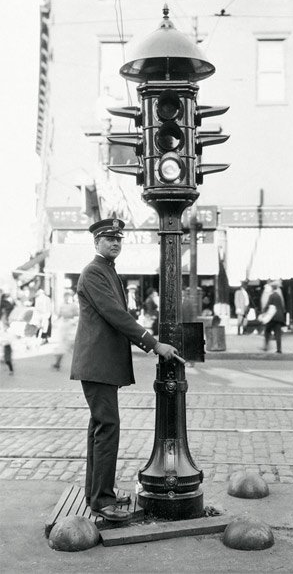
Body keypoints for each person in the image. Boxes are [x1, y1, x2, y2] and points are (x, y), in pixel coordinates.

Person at [70, 218, 179, 522]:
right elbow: (115, 314)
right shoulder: (94, 271)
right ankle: (102, 500)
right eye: (109, 239)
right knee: (108, 428)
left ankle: (97, 492)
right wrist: (153, 343)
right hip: (97, 364)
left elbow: (118, 314)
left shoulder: (107, 271)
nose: (115, 243)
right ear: (96, 243)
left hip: (99, 364)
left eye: (118, 239)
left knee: (100, 427)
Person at [52, 290, 79, 371]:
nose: (67, 298)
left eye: (68, 296)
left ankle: (78, 365)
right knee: (62, 346)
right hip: (64, 326)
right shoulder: (62, 305)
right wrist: (55, 322)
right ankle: (57, 363)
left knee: (73, 347)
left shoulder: (74, 306)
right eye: (66, 296)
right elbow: (60, 315)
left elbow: (77, 315)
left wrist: (74, 321)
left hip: (71, 326)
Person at [259, 280, 285, 353]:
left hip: (272, 317)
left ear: (272, 288)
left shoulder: (271, 296)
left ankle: (266, 346)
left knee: (267, 331)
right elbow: (282, 306)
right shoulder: (279, 296)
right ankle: (279, 349)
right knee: (278, 334)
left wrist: (263, 312)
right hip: (279, 317)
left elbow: (268, 305)